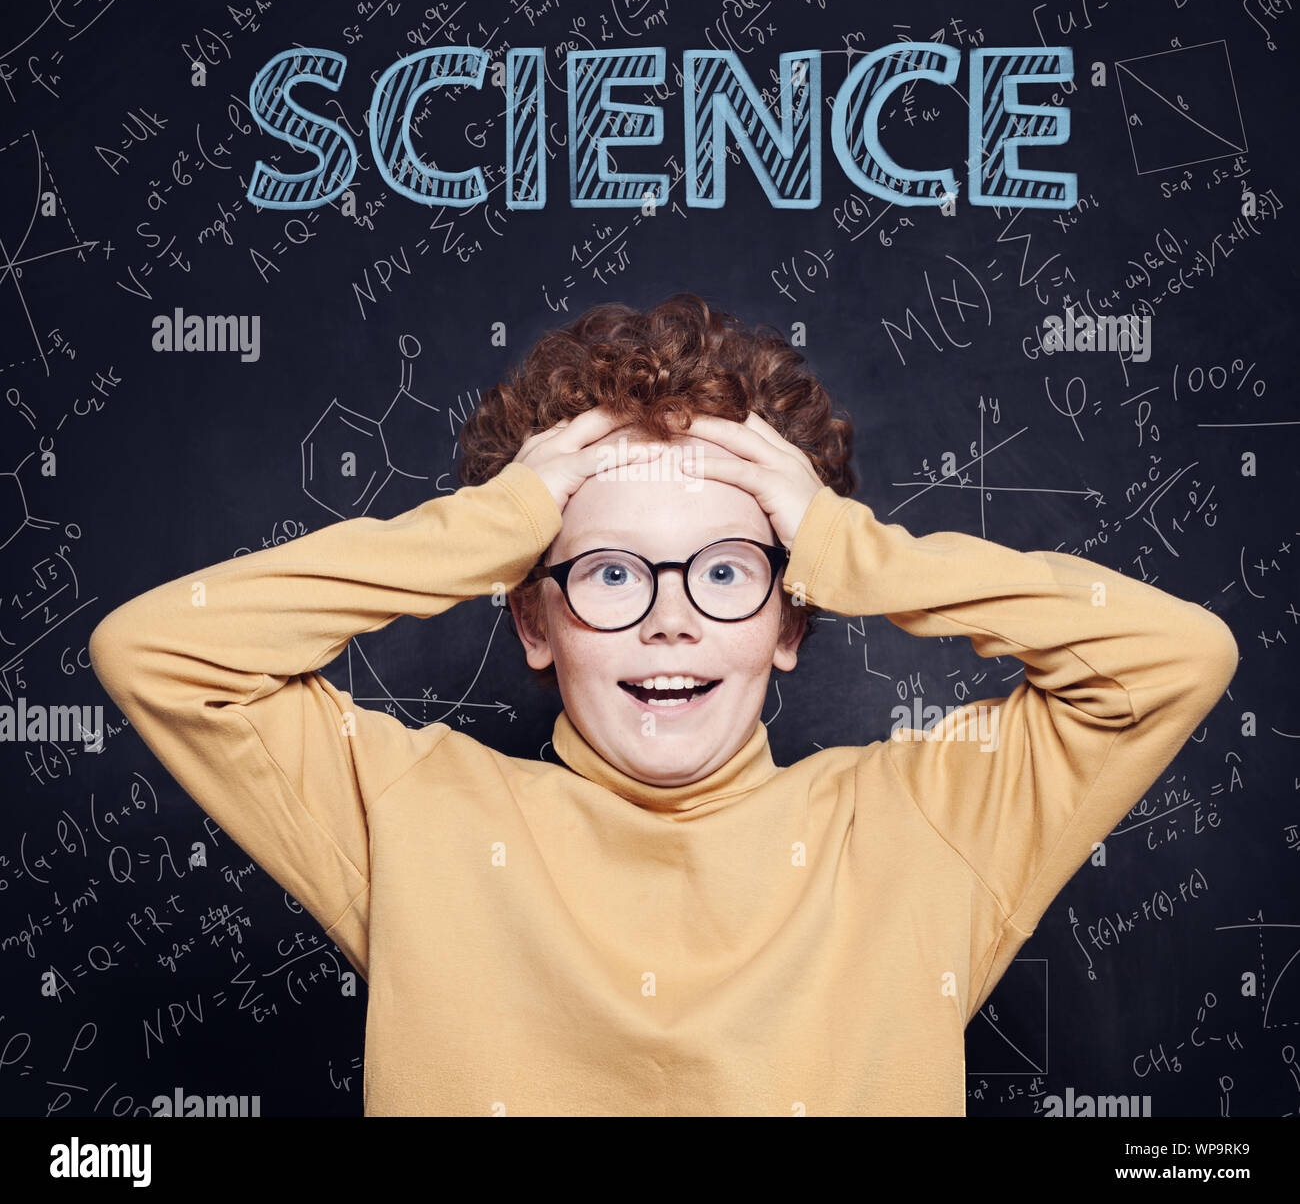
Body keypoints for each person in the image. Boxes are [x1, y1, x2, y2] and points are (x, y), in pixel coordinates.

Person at [88, 293, 1238, 1116]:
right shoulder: (413, 816)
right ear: (533, 621)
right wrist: (495, 526)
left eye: (727, 572)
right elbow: (156, 652)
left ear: (791, 620)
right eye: (608, 572)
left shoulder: (922, 829)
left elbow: (1171, 659)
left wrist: (852, 549)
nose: (669, 619)